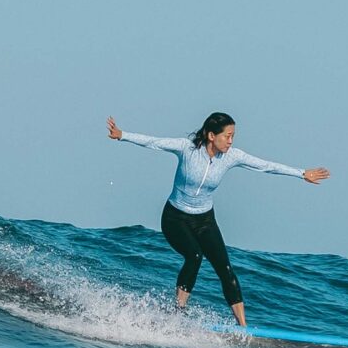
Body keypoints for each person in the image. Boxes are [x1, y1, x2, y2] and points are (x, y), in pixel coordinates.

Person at [107, 112, 329, 327]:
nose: (231, 141)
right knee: (194, 256)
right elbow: (154, 142)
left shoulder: (232, 157)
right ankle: (178, 312)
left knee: (225, 268)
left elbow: (265, 166)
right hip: (175, 218)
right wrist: (122, 135)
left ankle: (242, 326)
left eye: (233, 136)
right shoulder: (187, 149)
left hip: (205, 220)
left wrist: (301, 173)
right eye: (227, 136)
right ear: (211, 135)